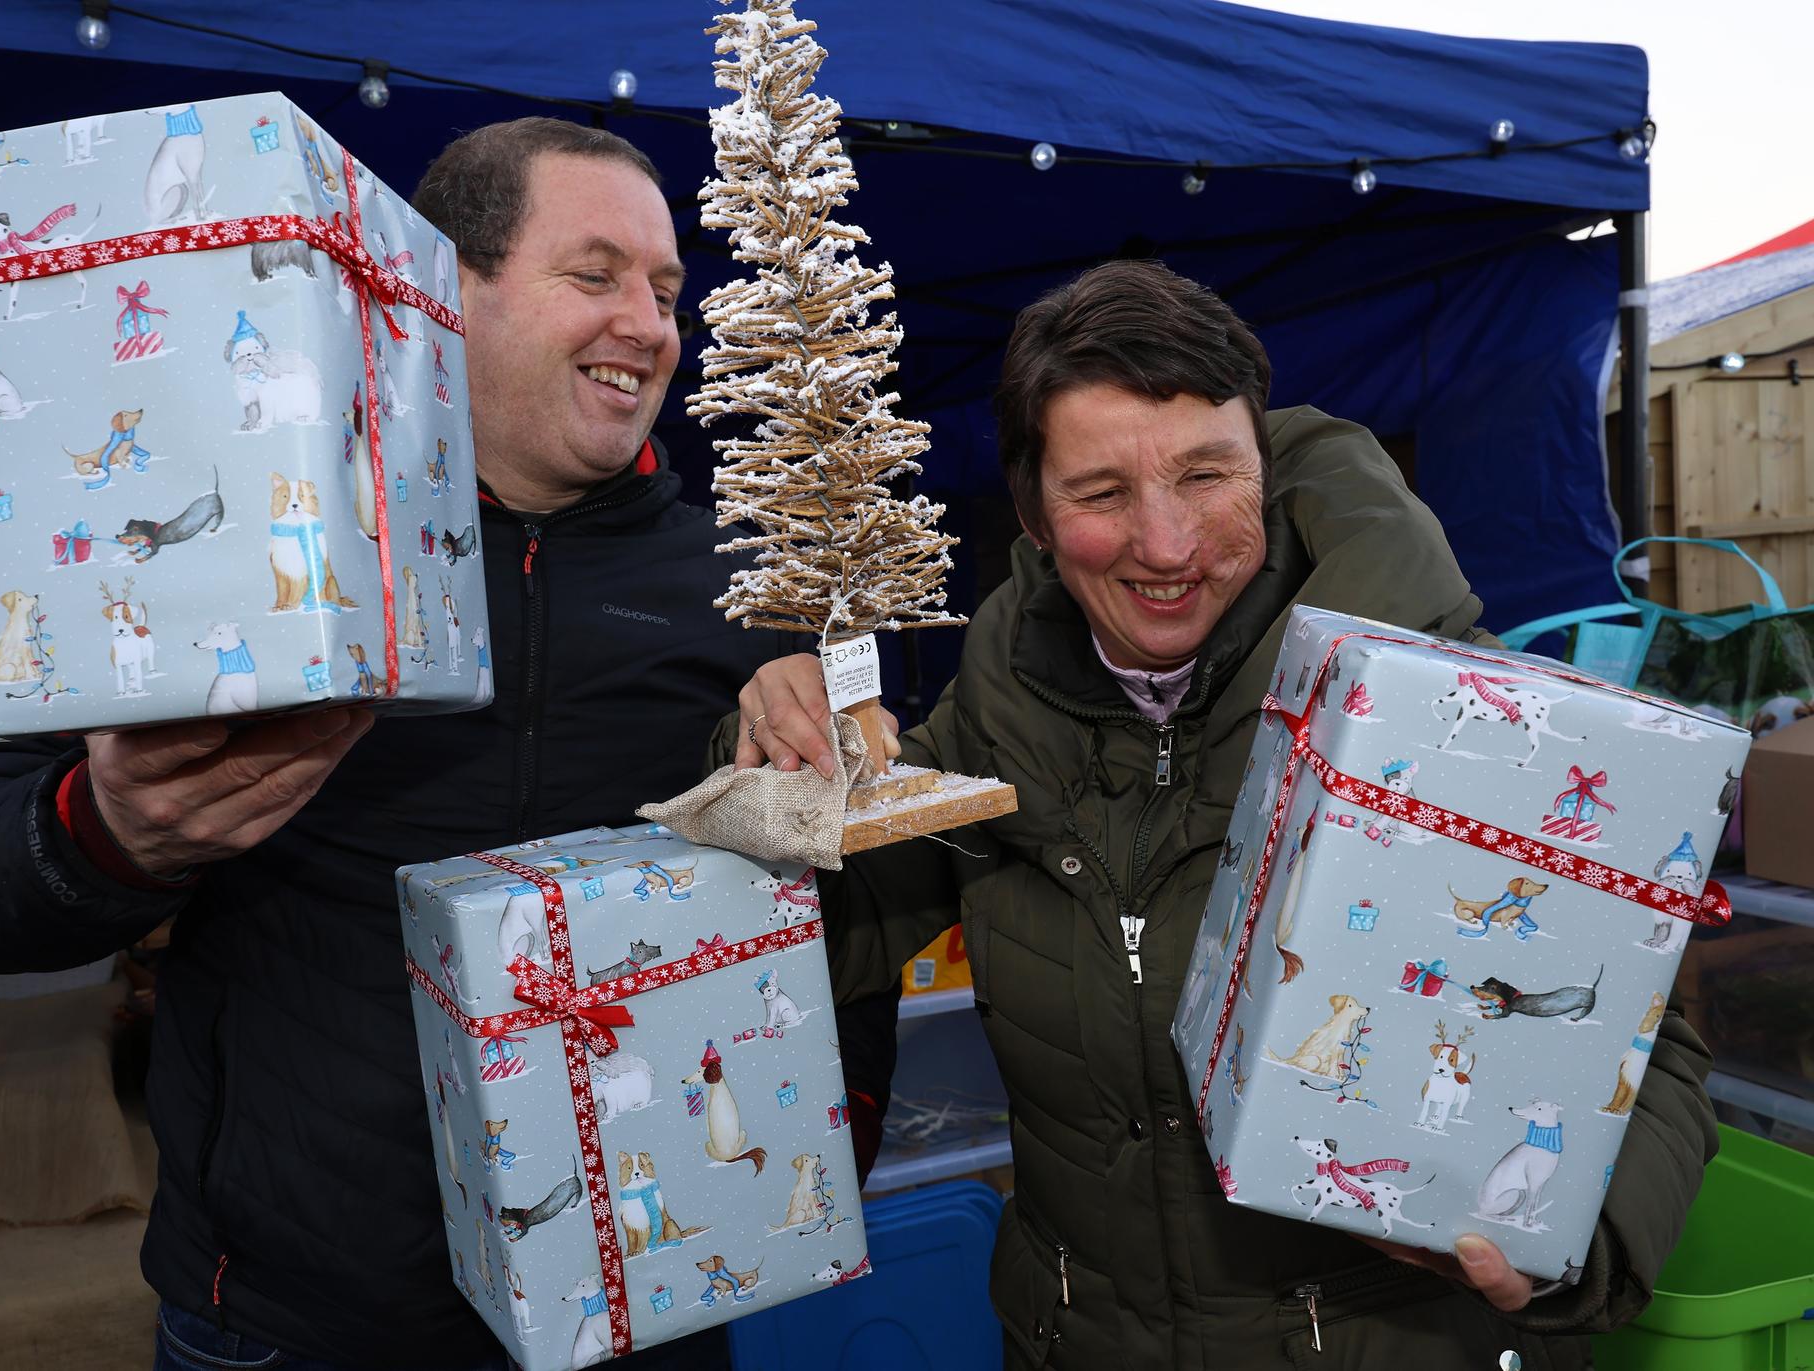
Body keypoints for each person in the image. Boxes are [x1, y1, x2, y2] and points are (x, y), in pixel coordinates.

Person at [0, 118, 897, 1371]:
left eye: (662, 290)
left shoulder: (747, 588)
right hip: (293, 1321)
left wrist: (828, 1123)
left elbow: (844, 915)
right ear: (442, 287)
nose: (646, 326)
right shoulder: (270, 545)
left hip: (640, 1304)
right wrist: (109, 835)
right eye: (593, 276)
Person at [730, 260, 1716, 1370]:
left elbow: (1645, 1050)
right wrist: (768, 767)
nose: (1164, 543)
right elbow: (801, 943)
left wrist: (1563, 1243)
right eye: (1100, 495)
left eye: (1206, 475)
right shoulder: (991, 719)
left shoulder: (1458, 715)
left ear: (1266, 463)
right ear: (1032, 516)